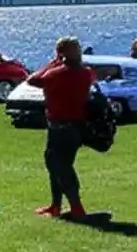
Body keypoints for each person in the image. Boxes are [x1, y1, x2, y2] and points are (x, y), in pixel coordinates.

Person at [26, 37, 94, 219]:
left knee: (59, 166)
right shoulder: (86, 73)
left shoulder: (55, 74)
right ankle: (56, 206)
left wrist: (52, 63)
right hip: (76, 128)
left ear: (60, 54)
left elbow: (32, 80)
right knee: (59, 166)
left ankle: (76, 208)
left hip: (59, 128)